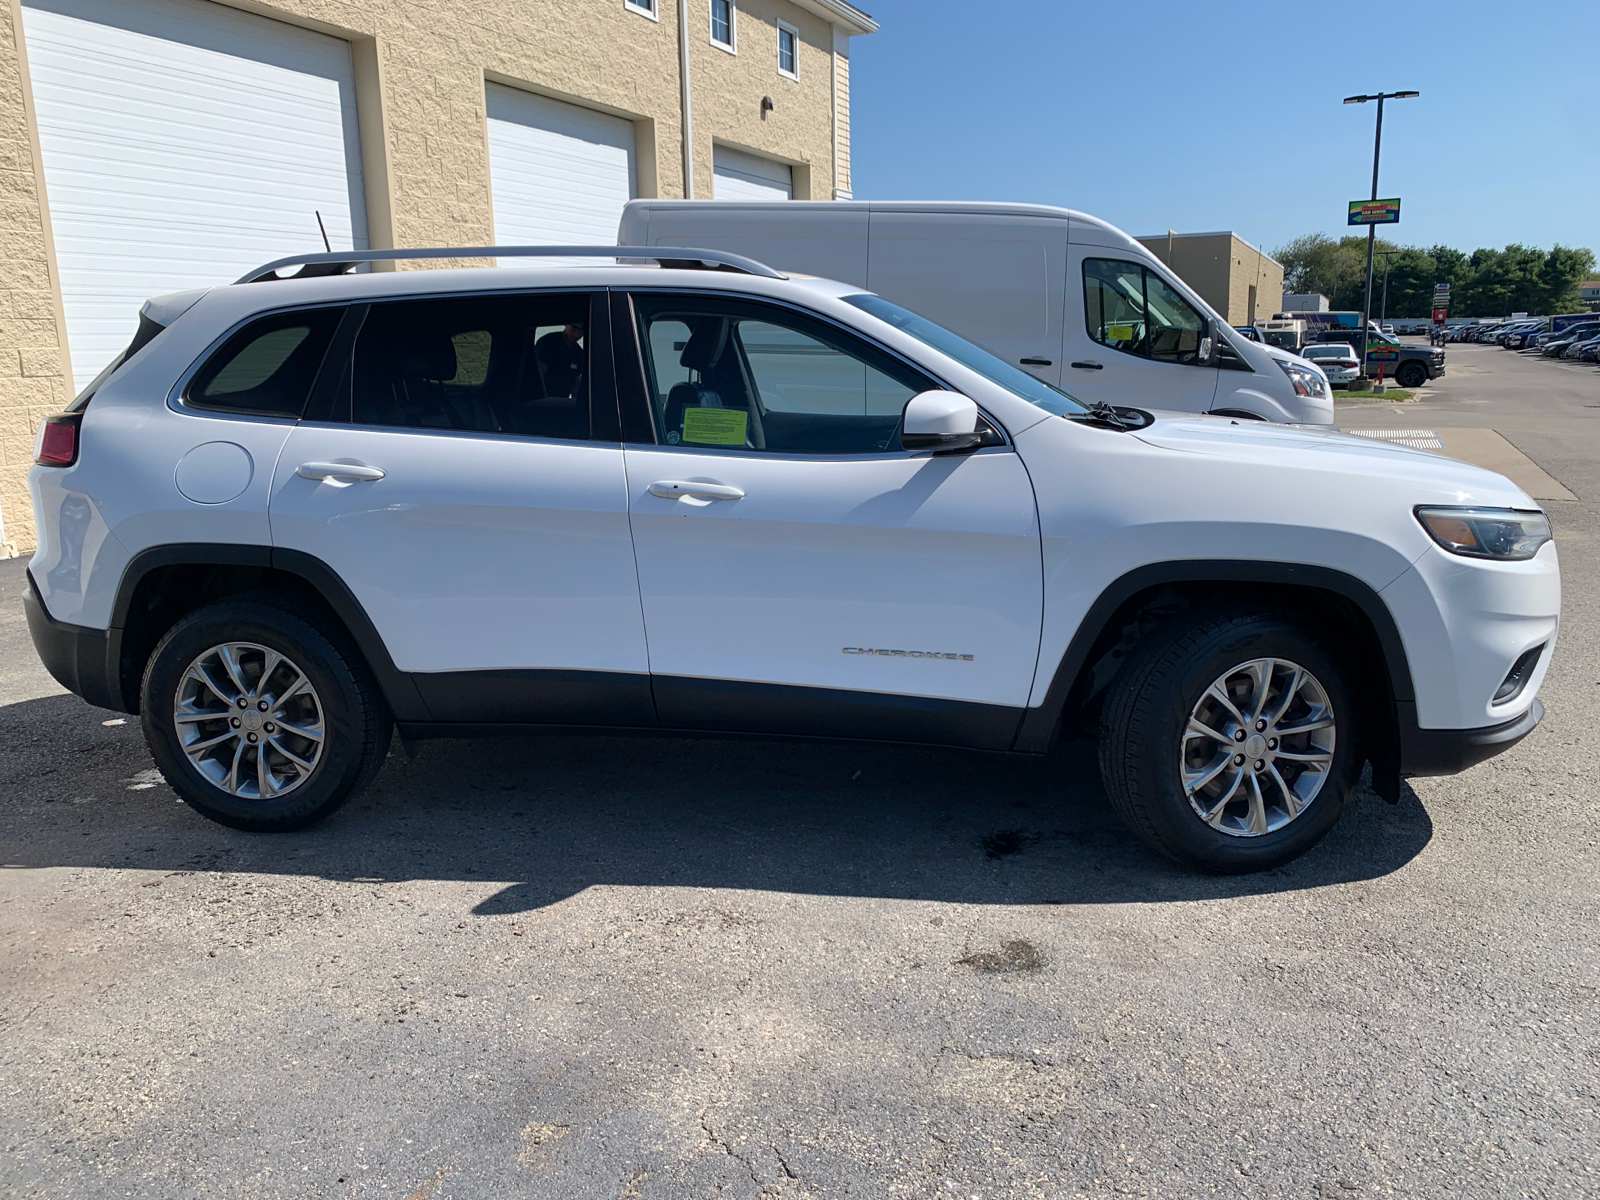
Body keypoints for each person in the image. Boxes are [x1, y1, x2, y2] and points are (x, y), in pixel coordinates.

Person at [536, 323, 585, 396]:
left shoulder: (579, 353)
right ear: (566, 325)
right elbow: (539, 372)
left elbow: (576, 382)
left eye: (580, 333)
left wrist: (578, 403)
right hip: (542, 398)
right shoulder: (548, 342)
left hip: (562, 400)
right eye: (573, 330)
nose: (576, 335)